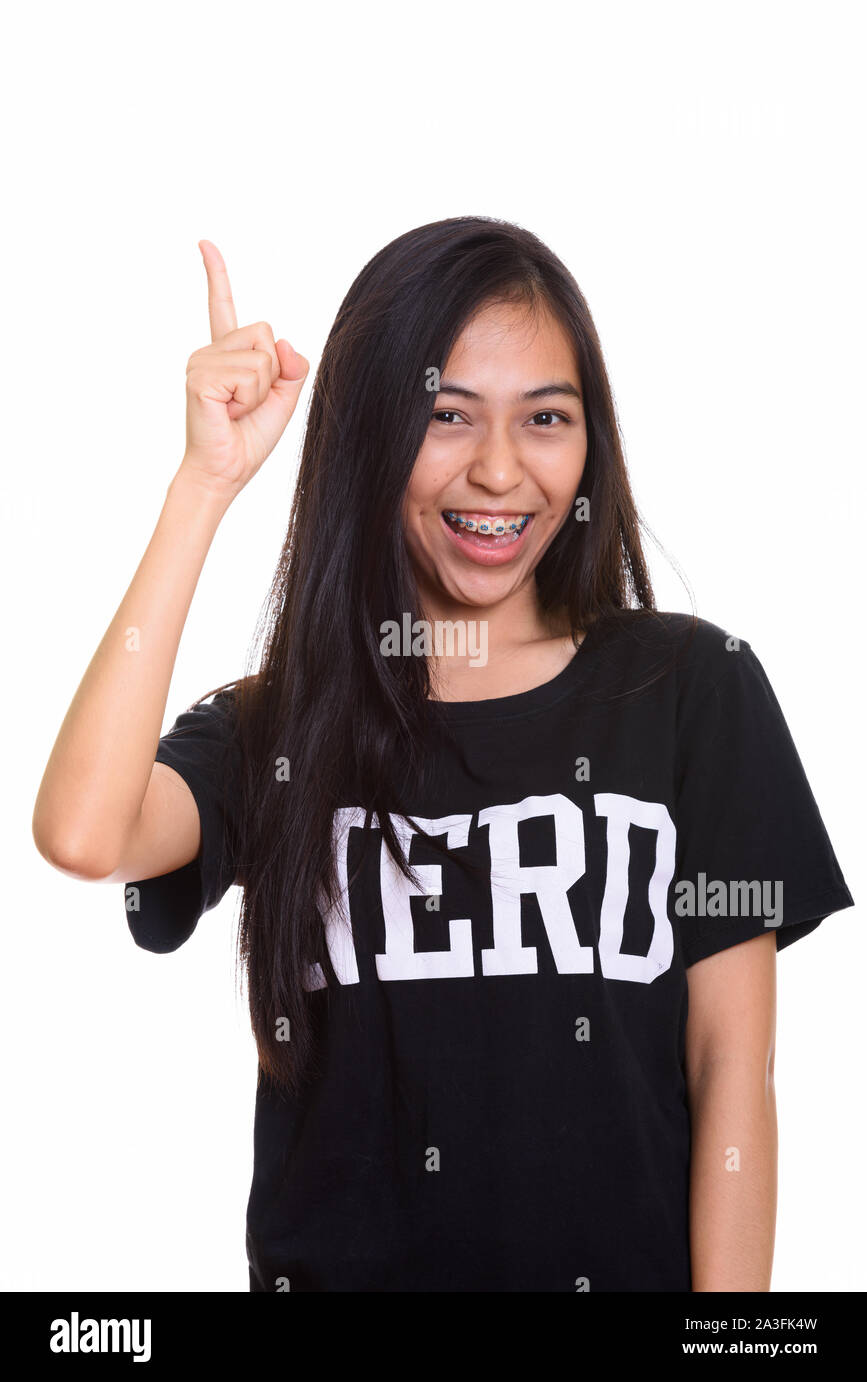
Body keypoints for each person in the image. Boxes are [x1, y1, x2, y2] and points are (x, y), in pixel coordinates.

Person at [32, 218, 854, 1293]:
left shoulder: (691, 690)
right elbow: (84, 833)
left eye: (546, 419)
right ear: (371, 436)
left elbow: (731, 1068)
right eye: (446, 416)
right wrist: (204, 484)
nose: (500, 470)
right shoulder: (281, 728)